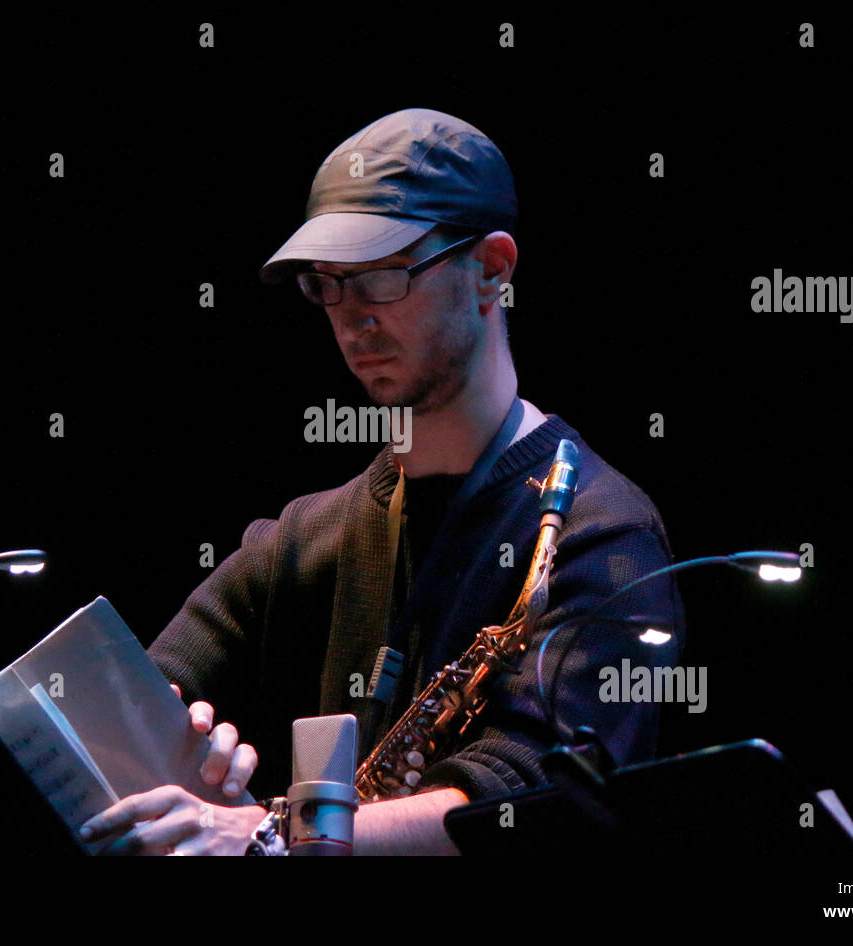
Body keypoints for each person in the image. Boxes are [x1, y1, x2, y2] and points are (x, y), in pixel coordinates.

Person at [78, 108, 685, 855]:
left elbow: (524, 797)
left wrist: (266, 831)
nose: (350, 318)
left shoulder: (604, 535)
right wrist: (162, 750)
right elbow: (125, 697)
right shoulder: (304, 537)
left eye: (384, 275)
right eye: (327, 285)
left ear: (491, 270)